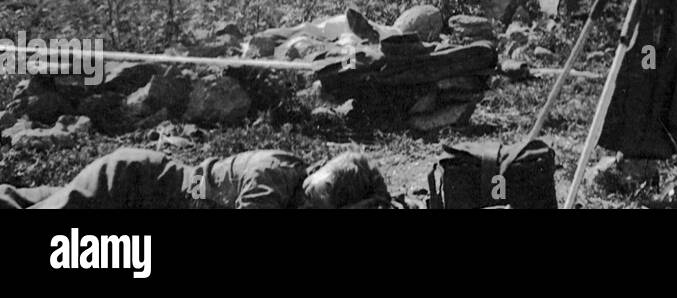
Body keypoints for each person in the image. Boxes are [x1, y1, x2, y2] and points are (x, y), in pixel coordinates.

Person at [0, 147, 388, 209]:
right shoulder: (275, 174)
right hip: (133, 182)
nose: (314, 196)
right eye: (324, 189)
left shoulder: (292, 186)